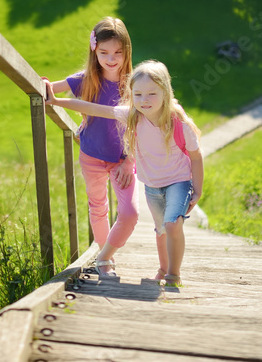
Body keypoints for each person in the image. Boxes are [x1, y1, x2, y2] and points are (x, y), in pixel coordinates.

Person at [45, 60, 204, 286]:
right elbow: (93, 109)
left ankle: (173, 275)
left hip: (179, 181)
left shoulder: (179, 124)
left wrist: (197, 189)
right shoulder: (132, 116)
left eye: (151, 94)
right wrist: (56, 100)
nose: (144, 100)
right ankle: (163, 268)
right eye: (138, 95)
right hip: (152, 185)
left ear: (165, 93)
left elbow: (196, 157)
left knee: (172, 224)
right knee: (161, 230)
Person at [43, 17, 135, 277]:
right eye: (104, 52)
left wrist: (128, 160)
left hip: (122, 158)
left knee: (130, 212)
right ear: (94, 50)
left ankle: (107, 252)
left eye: (118, 52)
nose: (111, 58)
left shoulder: (134, 84)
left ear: (127, 51)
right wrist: (45, 86)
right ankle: (105, 260)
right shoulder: (86, 79)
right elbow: (51, 89)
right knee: (98, 206)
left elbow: (140, 126)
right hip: (91, 155)